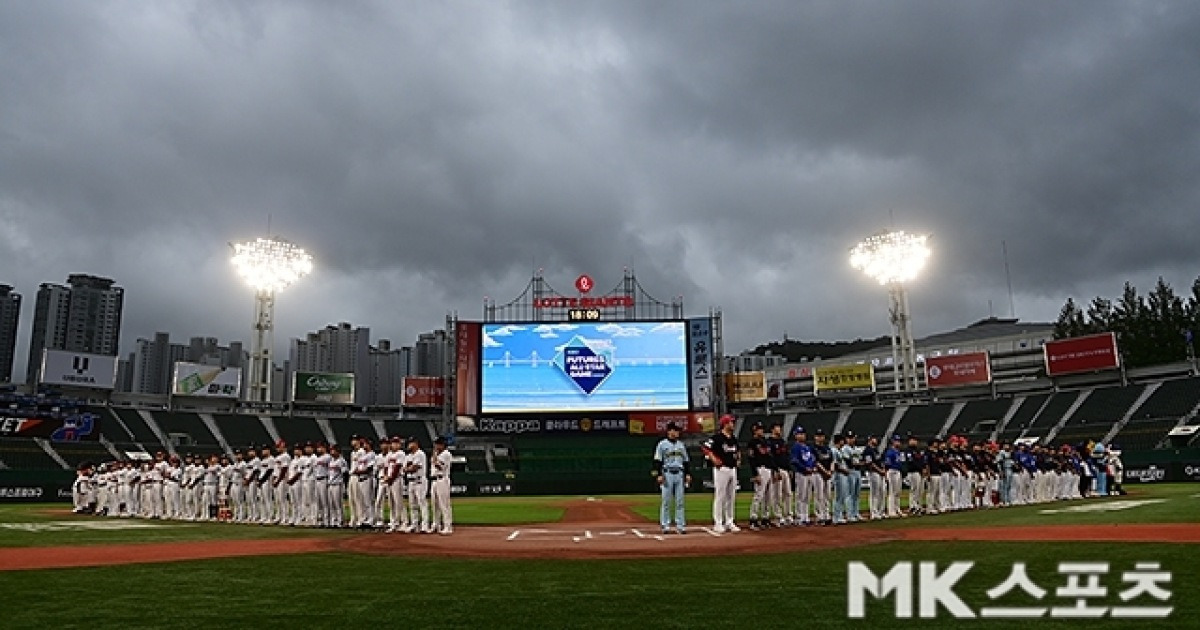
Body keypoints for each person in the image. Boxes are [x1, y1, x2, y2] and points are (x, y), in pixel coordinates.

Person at [701, 414, 741, 534]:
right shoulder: (717, 438)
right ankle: (718, 522)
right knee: (720, 496)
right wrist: (713, 458)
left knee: (731, 497)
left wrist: (738, 458)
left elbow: (737, 450)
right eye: (731, 422)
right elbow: (705, 448)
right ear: (725, 423)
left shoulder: (733, 438)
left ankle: (729, 521)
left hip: (732, 469)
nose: (733, 424)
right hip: (721, 469)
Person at [653, 422, 691, 535]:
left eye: (677, 431)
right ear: (669, 431)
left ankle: (681, 526)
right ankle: (665, 525)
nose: (676, 433)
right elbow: (657, 461)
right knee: (666, 501)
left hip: (679, 473)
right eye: (674, 430)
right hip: (667, 474)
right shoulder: (662, 444)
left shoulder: (681, 445)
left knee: (680, 501)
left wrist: (688, 474)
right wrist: (658, 475)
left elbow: (686, 461)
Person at [746, 422, 774, 530]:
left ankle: (765, 518)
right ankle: (753, 519)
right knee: (759, 495)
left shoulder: (765, 442)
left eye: (762, 429)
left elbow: (769, 457)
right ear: (754, 430)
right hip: (759, 469)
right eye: (759, 429)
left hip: (768, 469)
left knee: (768, 495)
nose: (761, 431)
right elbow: (751, 458)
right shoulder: (752, 442)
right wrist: (755, 474)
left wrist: (774, 470)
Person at [768, 422, 794, 527]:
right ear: (772, 429)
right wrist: (774, 470)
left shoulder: (783, 442)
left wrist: (790, 469)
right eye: (777, 427)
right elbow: (770, 457)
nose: (779, 429)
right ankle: (778, 517)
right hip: (776, 470)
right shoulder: (769, 442)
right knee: (777, 495)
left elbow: (787, 456)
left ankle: (788, 516)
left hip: (785, 470)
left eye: (779, 427)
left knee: (788, 493)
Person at [403, 438, 431, 533]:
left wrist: (408, 468)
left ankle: (425, 526)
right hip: (411, 482)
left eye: (411, 443)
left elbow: (414, 468)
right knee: (412, 504)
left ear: (416, 443)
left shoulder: (420, 453)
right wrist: (408, 468)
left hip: (419, 481)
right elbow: (405, 468)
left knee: (422, 503)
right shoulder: (408, 456)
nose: (409, 445)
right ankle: (414, 525)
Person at [789, 426, 815, 526]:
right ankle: (799, 517)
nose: (801, 435)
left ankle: (805, 516)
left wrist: (811, 467)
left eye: (803, 434)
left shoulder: (806, 447)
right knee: (800, 496)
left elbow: (812, 459)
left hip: (809, 474)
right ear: (795, 436)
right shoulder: (796, 447)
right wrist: (804, 468)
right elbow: (794, 461)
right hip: (801, 473)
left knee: (807, 496)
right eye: (799, 434)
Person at [430, 436, 454, 535]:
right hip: (434, 480)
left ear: (443, 445)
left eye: (438, 444)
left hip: (442, 479)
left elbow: (440, 467)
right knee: (434, 504)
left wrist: (435, 459)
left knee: (444, 504)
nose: (436, 445)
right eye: (436, 444)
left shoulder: (446, 454)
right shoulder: (437, 454)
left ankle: (448, 526)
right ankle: (436, 525)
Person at [810, 429, 833, 525]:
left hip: (827, 473)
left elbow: (832, 461)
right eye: (818, 436)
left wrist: (830, 471)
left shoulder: (827, 448)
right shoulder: (812, 448)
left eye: (821, 436)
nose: (820, 437)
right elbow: (815, 462)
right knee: (819, 495)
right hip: (818, 474)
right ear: (815, 437)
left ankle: (826, 515)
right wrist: (825, 472)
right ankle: (819, 516)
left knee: (827, 495)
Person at [863, 435, 885, 520]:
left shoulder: (876, 450)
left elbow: (880, 461)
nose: (875, 440)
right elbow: (870, 463)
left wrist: (883, 470)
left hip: (879, 473)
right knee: (874, 493)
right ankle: (873, 512)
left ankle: (879, 512)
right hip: (873, 472)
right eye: (873, 439)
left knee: (881, 492)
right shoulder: (867, 450)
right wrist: (880, 470)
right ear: (869, 440)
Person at [883, 435, 903, 518]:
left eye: (899, 441)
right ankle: (891, 511)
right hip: (891, 471)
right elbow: (887, 464)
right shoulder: (889, 452)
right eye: (896, 441)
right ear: (893, 442)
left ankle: (897, 509)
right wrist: (886, 474)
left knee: (897, 492)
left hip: (898, 471)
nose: (898, 442)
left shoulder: (898, 451)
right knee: (892, 492)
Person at [327, 444, 347, 527]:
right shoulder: (331, 461)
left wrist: (345, 485)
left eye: (333, 450)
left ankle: (340, 521)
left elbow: (345, 472)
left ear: (338, 451)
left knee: (338, 503)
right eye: (331, 450)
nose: (332, 452)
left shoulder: (341, 460)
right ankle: (333, 521)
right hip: (331, 484)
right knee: (331, 504)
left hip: (338, 484)